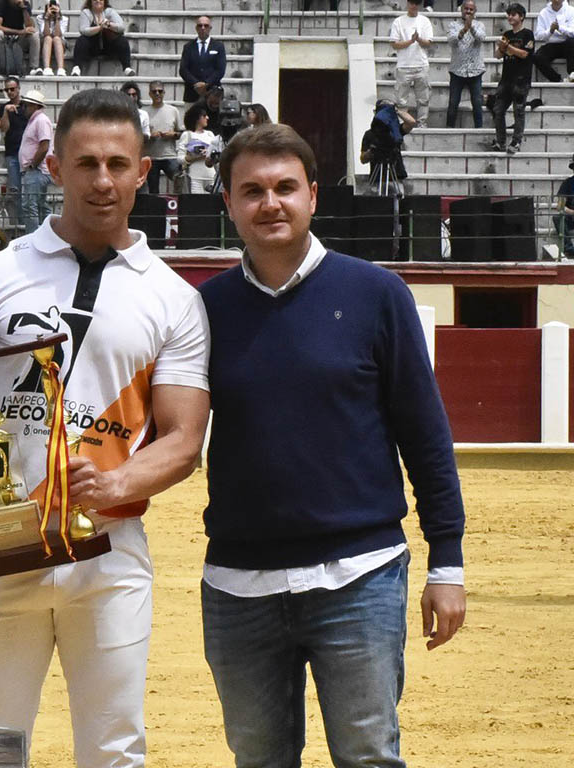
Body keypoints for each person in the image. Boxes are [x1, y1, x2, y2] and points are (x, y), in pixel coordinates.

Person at [0, 87, 210, 768]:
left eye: (119, 164)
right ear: (53, 167)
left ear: (144, 172)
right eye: (85, 163)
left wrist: (115, 479)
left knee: (115, 750)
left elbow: (183, 440)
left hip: (108, 550)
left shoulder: (174, 299)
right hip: (2, 547)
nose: (103, 180)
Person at [200, 122, 466, 768]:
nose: (271, 203)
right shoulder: (202, 310)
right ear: (230, 204)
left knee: (369, 756)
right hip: (240, 584)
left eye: (286, 187)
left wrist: (447, 562)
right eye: (253, 190)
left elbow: (425, 435)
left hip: (360, 573)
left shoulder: (376, 295)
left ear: (313, 196)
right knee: (258, 762)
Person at [492, 3, 536, 153]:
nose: (510, 17)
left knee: (519, 111)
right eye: (509, 14)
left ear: (521, 17)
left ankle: (516, 142)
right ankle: (500, 141)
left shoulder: (528, 34)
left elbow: (525, 54)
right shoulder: (507, 35)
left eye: (514, 14)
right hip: (506, 79)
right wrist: (502, 48)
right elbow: (497, 56)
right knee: (498, 110)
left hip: (521, 79)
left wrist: (508, 47)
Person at [390, 0, 434, 127]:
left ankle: (422, 124)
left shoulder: (424, 21)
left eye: (417, 3)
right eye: (412, 3)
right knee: (401, 100)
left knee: (423, 99)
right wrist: (410, 41)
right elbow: (394, 44)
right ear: (408, 3)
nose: (414, 6)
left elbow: (429, 43)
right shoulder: (398, 21)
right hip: (404, 66)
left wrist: (418, 39)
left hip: (421, 65)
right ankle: (403, 125)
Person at [360, 99, 416, 196]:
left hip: (395, 175)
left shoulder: (395, 131)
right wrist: (371, 152)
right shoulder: (370, 134)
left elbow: (411, 122)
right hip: (378, 178)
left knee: (397, 204)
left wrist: (395, 111)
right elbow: (363, 159)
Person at [446, 0, 486, 128]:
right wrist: (463, 30)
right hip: (457, 70)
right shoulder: (453, 25)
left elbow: (481, 39)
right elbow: (452, 41)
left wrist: (471, 27)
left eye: (471, 9)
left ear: (475, 11)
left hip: (475, 69)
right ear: (461, 9)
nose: (468, 11)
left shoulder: (480, 25)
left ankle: (479, 129)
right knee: (453, 102)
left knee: (477, 102)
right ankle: (449, 129)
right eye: (466, 8)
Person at [18, 88, 52, 233]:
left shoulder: (41, 120)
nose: (24, 108)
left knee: (30, 205)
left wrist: (33, 165)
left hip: (36, 170)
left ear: (35, 106)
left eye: (27, 105)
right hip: (34, 170)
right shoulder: (35, 120)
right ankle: (48, 234)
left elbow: (44, 146)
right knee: (40, 205)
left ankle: (32, 237)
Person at [72, 0, 134, 77]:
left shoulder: (109, 11)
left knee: (122, 40)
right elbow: (83, 30)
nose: (98, 1)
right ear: (90, 1)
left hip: (108, 46)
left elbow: (121, 27)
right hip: (92, 47)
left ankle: (127, 67)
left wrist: (109, 25)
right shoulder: (86, 12)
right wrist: (99, 28)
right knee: (81, 40)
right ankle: (77, 67)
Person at [178, 16, 227, 104]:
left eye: (206, 25)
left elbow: (220, 70)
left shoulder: (218, 46)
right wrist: (196, 83)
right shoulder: (188, 47)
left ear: (210, 28)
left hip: (213, 93)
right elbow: (183, 69)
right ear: (196, 28)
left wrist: (206, 84)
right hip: (192, 93)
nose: (203, 28)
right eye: (200, 25)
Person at [0, 77, 28, 228]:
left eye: (12, 89)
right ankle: (20, 223)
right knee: (15, 190)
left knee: (28, 190)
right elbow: (3, 128)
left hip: (28, 154)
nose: (9, 92)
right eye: (7, 90)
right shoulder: (4, 107)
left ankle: (26, 223)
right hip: (12, 152)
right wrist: (5, 112)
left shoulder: (27, 106)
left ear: (18, 89)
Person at [144, 81, 181, 193]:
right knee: (153, 191)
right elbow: (139, 136)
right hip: (152, 157)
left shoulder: (173, 110)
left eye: (160, 91)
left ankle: (178, 206)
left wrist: (173, 134)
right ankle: (156, 210)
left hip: (169, 155)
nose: (157, 94)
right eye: (154, 91)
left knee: (179, 179)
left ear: (164, 93)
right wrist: (150, 136)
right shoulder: (144, 112)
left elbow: (180, 133)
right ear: (149, 94)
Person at [0, 0, 40, 76]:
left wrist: (24, 9)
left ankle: (34, 67)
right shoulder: (1, 2)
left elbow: (30, 26)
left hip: (19, 40)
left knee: (34, 34)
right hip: (5, 39)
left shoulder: (25, 4)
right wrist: (20, 32)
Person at [177, 101, 217, 193]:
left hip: (210, 176)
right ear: (197, 118)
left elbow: (217, 153)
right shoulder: (187, 134)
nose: (207, 118)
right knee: (196, 204)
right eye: (204, 116)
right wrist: (193, 157)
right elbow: (180, 158)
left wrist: (209, 153)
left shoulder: (210, 134)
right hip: (194, 177)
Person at [531, 0, 574, 82]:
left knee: (572, 41)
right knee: (537, 57)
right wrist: (550, 31)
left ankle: (572, 74)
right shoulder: (543, 13)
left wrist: (559, 28)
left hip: (568, 44)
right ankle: (557, 80)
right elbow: (539, 36)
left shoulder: (571, 10)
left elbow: (573, 32)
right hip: (551, 45)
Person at [38, 0, 68, 75]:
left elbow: (58, 34)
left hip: (59, 43)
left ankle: (61, 69)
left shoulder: (64, 19)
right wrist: (46, 19)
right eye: (50, 6)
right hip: (45, 43)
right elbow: (46, 34)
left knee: (56, 39)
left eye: (55, 6)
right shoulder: (40, 17)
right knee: (48, 38)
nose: (53, 9)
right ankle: (47, 68)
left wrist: (57, 18)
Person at [554, 153, 574, 256]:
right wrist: (571, 212)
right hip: (571, 217)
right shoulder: (568, 182)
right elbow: (560, 206)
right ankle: (570, 249)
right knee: (557, 218)